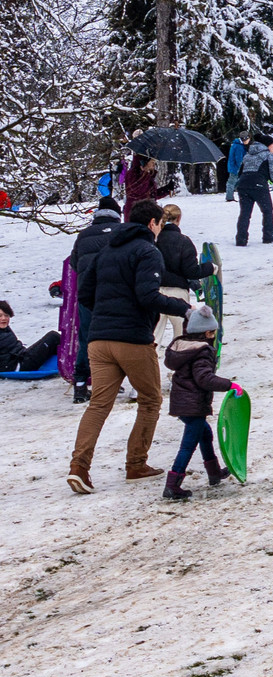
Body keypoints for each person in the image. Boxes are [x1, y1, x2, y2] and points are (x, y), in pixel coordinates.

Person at [68, 200, 192, 493]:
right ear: (152, 223)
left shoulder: (105, 250)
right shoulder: (147, 250)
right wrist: (183, 308)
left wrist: (105, 315)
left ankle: (79, 468)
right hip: (132, 339)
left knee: (98, 404)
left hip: (99, 340)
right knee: (150, 400)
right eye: (160, 223)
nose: (160, 228)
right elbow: (149, 296)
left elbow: (84, 294)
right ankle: (136, 463)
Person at [160, 304, 237, 499]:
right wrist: (229, 385)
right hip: (193, 404)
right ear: (208, 332)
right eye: (213, 331)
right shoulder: (202, 351)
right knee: (188, 444)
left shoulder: (183, 346)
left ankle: (214, 472)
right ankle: (173, 484)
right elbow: (204, 379)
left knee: (205, 434)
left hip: (182, 402)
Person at [67, 196, 124, 402]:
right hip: (115, 294)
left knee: (88, 339)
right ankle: (109, 382)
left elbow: (74, 264)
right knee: (114, 337)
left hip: (87, 295)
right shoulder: (122, 232)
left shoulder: (83, 235)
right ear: (117, 214)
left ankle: (80, 386)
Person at [154, 204, 215, 342]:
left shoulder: (153, 239)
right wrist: (210, 268)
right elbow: (191, 271)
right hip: (178, 293)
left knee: (154, 337)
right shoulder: (183, 241)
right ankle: (180, 360)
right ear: (179, 218)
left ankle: (149, 362)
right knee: (181, 334)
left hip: (155, 291)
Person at [234, 133, 273, 246]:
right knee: (267, 210)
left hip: (243, 185)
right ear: (268, 145)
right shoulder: (268, 155)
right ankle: (268, 237)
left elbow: (240, 172)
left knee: (245, 213)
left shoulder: (247, 155)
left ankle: (241, 239)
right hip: (259, 185)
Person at [0, 300, 60, 374]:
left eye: (6, 315)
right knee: (53, 337)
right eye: (0, 316)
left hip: (22, 356)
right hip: (18, 365)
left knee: (52, 342)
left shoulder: (5, 329)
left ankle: (69, 360)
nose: (3, 318)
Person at [123, 156, 160, 221]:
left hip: (146, 210)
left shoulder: (147, 175)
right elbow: (139, 190)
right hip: (135, 212)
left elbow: (152, 194)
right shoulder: (132, 173)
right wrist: (145, 173)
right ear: (144, 163)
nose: (154, 165)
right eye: (152, 162)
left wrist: (167, 189)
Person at [225, 133, 246, 201]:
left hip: (233, 166)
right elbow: (239, 158)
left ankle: (230, 195)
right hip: (235, 167)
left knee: (234, 180)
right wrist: (240, 166)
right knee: (232, 181)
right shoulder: (239, 146)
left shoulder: (236, 145)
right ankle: (229, 197)